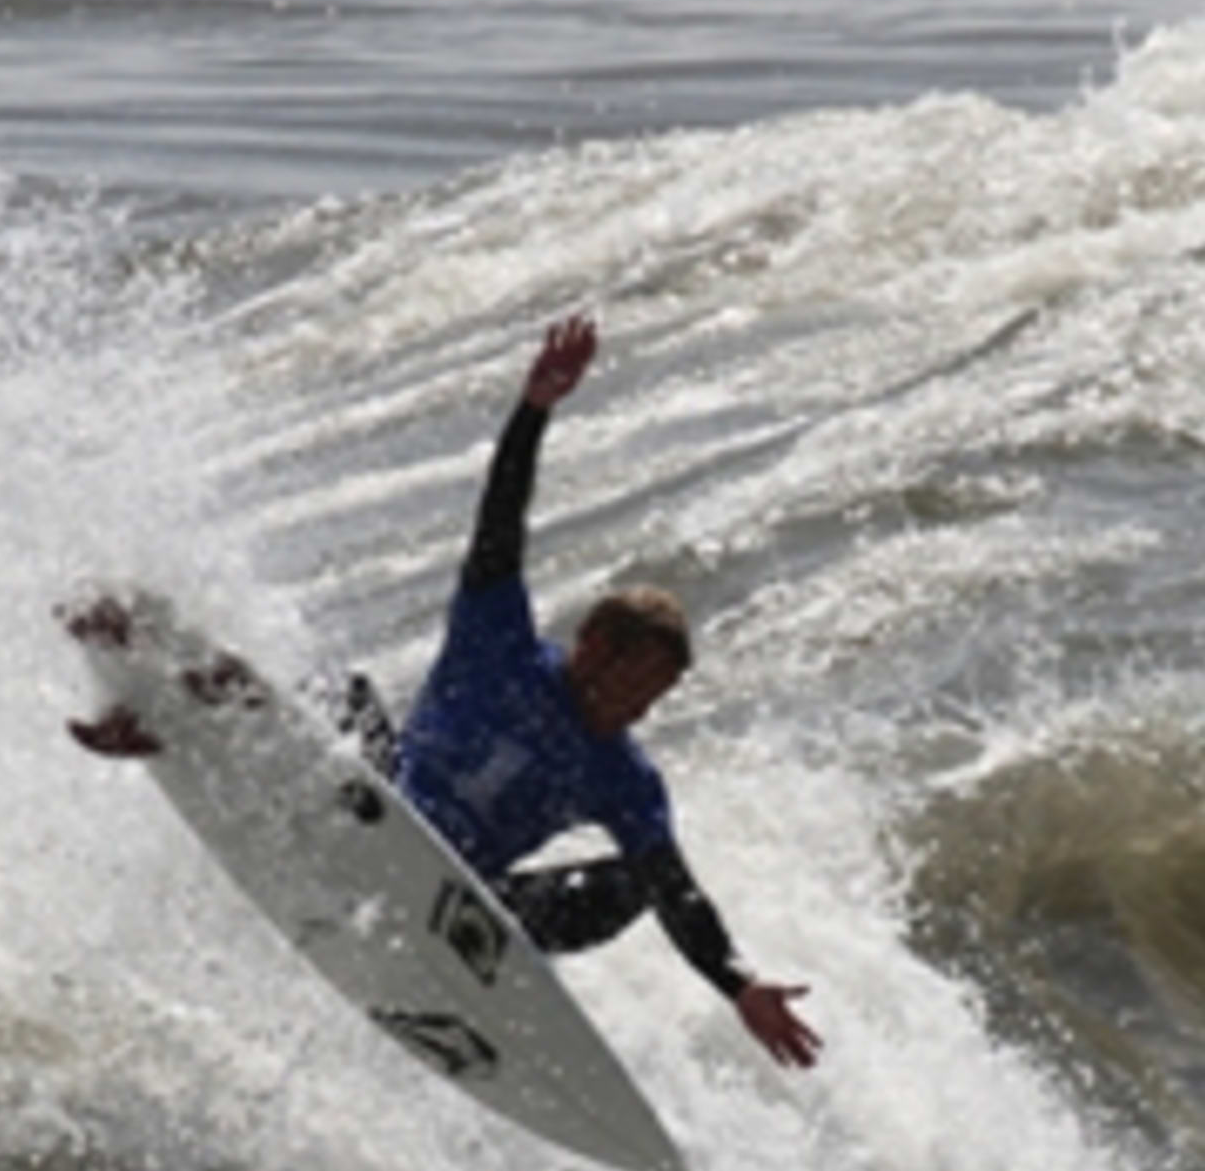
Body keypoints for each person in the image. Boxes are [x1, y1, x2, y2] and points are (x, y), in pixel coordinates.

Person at [75, 314, 821, 1072]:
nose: (640, 708)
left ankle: (491, 976)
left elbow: (679, 894)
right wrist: (534, 410)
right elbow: (502, 519)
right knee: (340, 692)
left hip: (472, 904)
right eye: (635, 682)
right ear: (592, 643)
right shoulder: (500, 644)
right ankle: (164, 707)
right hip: (377, 798)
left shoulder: (623, 776)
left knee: (641, 883)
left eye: (656, 698)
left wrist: (738, 983)